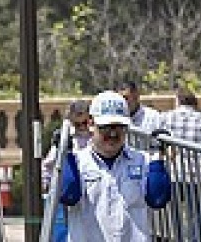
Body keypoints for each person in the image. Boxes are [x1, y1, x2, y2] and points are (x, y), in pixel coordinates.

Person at [58, 90, 171, 241]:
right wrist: (66, 154)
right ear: (91, 124)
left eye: (119, 126)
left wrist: (157, 156)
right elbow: (69, 196)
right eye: (105, 127)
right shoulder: (77, 163)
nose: (112, 134)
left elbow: (158, 199)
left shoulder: (143, 161)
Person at [158, 88, 201, 241]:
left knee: (174, 219)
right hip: (197, 176)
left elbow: (158, 144)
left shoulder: (165, 117)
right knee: (197, 220)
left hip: (173, 173)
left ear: (177, 101)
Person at [42, 100, 94, 242]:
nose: (82, 127)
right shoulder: (65, 138)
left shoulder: (95, 138)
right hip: (69, 190)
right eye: (78, 124)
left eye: (85, 123)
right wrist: (46, 184)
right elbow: (49, 164)